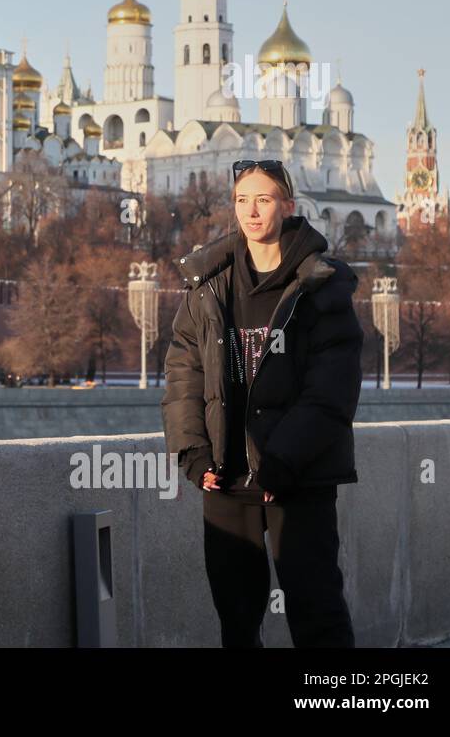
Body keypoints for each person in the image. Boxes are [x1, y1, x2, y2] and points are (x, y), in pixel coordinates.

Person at [162, 159, 361, 647]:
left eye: (264, 199)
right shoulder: (210, 286)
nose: (252, 211)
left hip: (299, 477)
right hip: (227, 478)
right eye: (242, 200)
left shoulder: (320, 285)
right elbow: (183, 373)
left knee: (317, 612)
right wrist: (193, 454)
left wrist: (283, 461)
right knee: (237, 618)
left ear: (288, 206)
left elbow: (331, 392)